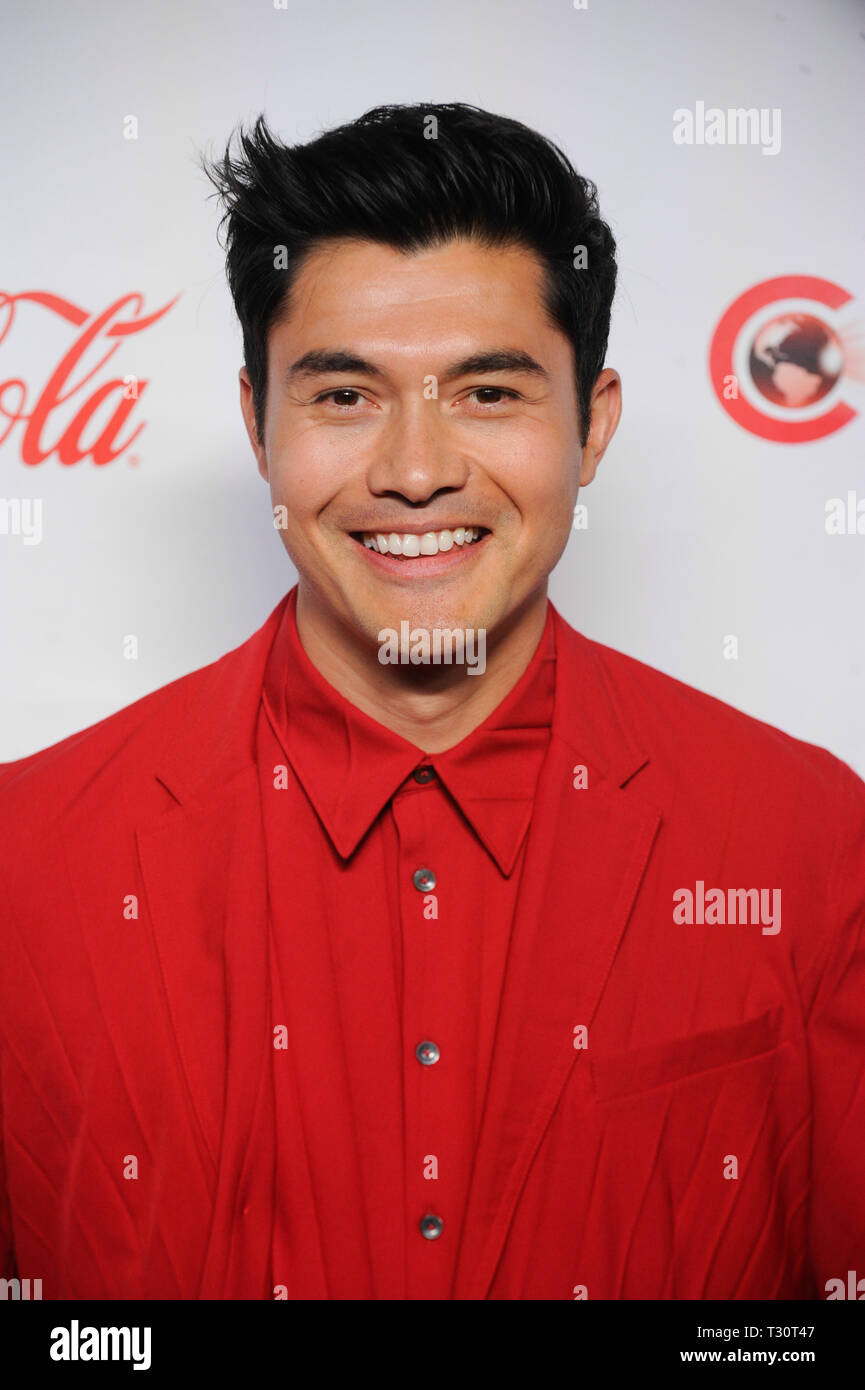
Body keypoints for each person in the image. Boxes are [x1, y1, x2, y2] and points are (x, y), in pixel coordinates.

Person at [1, 103, 862, 1301]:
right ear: (257, 425)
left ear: (591, 426)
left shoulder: (809, 838)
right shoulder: (26, 855)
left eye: (489, 394)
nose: (415, 472)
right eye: (344, 397)